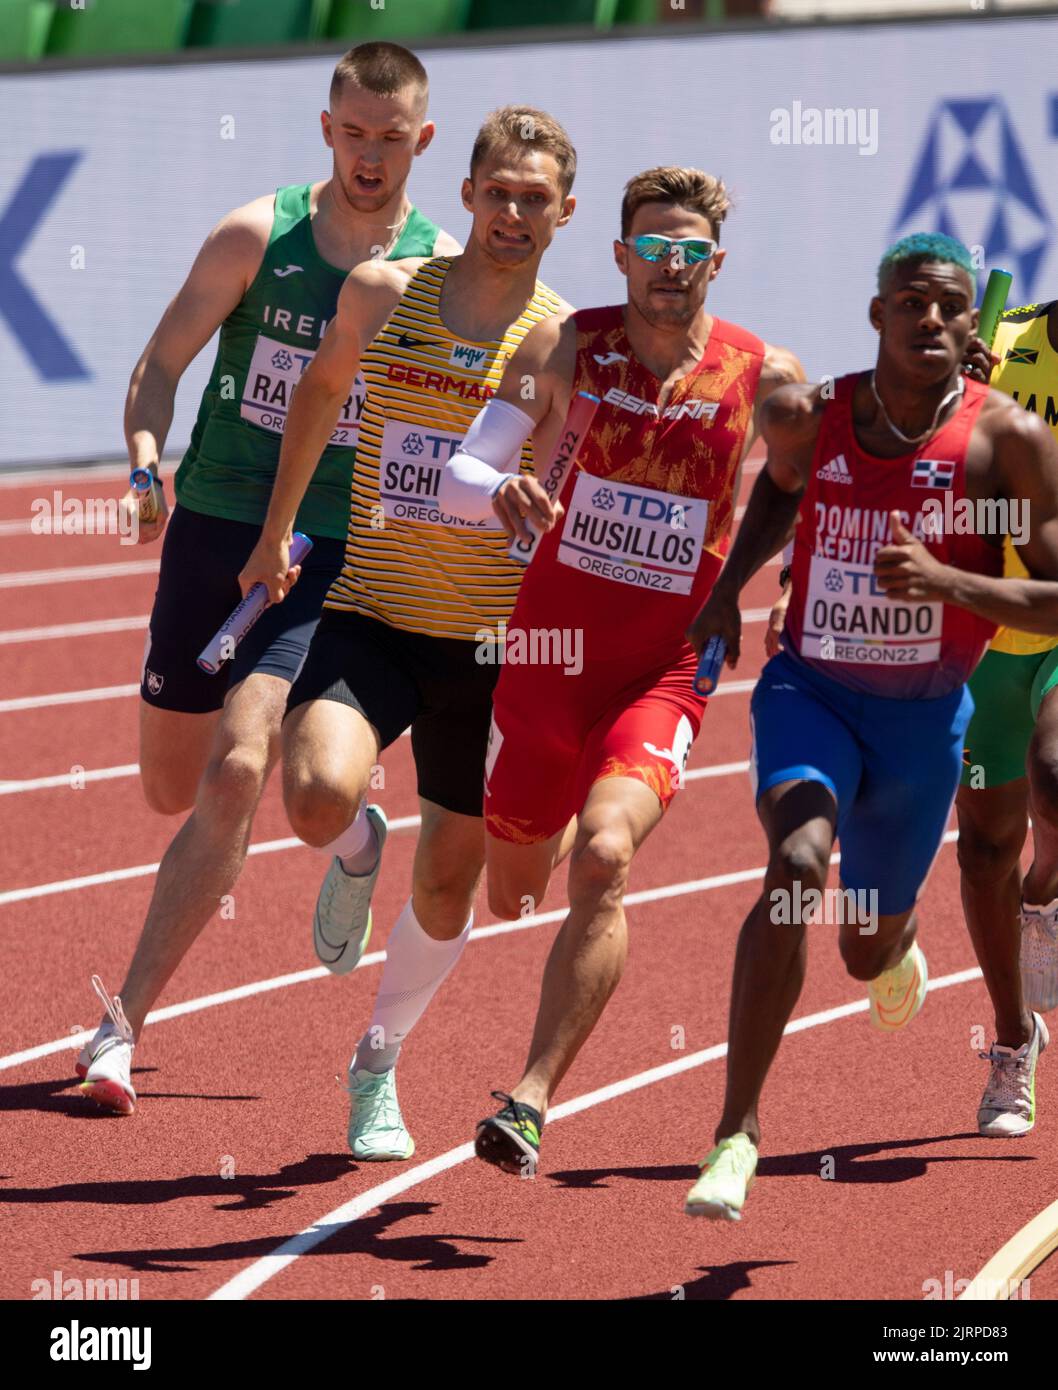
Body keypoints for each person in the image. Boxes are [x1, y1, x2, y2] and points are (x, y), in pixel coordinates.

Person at [78, 43, 459, 1115]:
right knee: (170, 784)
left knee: (239, 767)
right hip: (213, 524)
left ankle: (119, 1027)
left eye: (392, 139)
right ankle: (355, 837)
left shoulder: (438, 273)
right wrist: (145, 460)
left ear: (423, 141)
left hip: (327, 546)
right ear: (326, 129)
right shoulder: (257, 236)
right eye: (354, 134)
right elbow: (160, 365)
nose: (370, 157)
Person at [435, 166, 804, 1175]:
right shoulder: (566, 345)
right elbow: (467, 467)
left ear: (715, 263)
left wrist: (762, 582)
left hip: (664, 670)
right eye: (652, 248)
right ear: (619, 255)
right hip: (545, 666)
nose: (669, 267)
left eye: (689, 252)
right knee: (512, 893)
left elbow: (818, 472)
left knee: (603, 855)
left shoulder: (763, 373)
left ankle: (529, 1099)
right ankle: (543, 821)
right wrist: (497, 488)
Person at [683, 232, 1058, 1221]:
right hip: (808, 690)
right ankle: (735, 1133)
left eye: (948, 306)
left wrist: (949, 585)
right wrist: (726, 589)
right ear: (876, 313)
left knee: (861, 945)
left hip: (922, 721)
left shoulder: (1005, 440)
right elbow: (778, 487)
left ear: (968, 323)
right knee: (795, 863)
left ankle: (894, 942)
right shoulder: (816, 415)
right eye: (911, 302)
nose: (928, 319)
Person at [238, 107, 575, 1160]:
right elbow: (318, 394)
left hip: (488, 648)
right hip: (375, 611)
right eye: (497, 192)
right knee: (313, 794)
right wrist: (277, 530)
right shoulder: (383, 293)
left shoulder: (565, 340)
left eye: (534, 198)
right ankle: (354, 850)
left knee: (450, 883)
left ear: (563, 213)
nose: (512, 213)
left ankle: (376, 1065)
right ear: (466, 193)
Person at [957, 296, 1058, 1136]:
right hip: (987, 626)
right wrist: (955, 399)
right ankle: (1014, 1038)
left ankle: (1048, 889)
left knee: (1055, 773)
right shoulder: (1001, 334)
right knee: (986, 848)